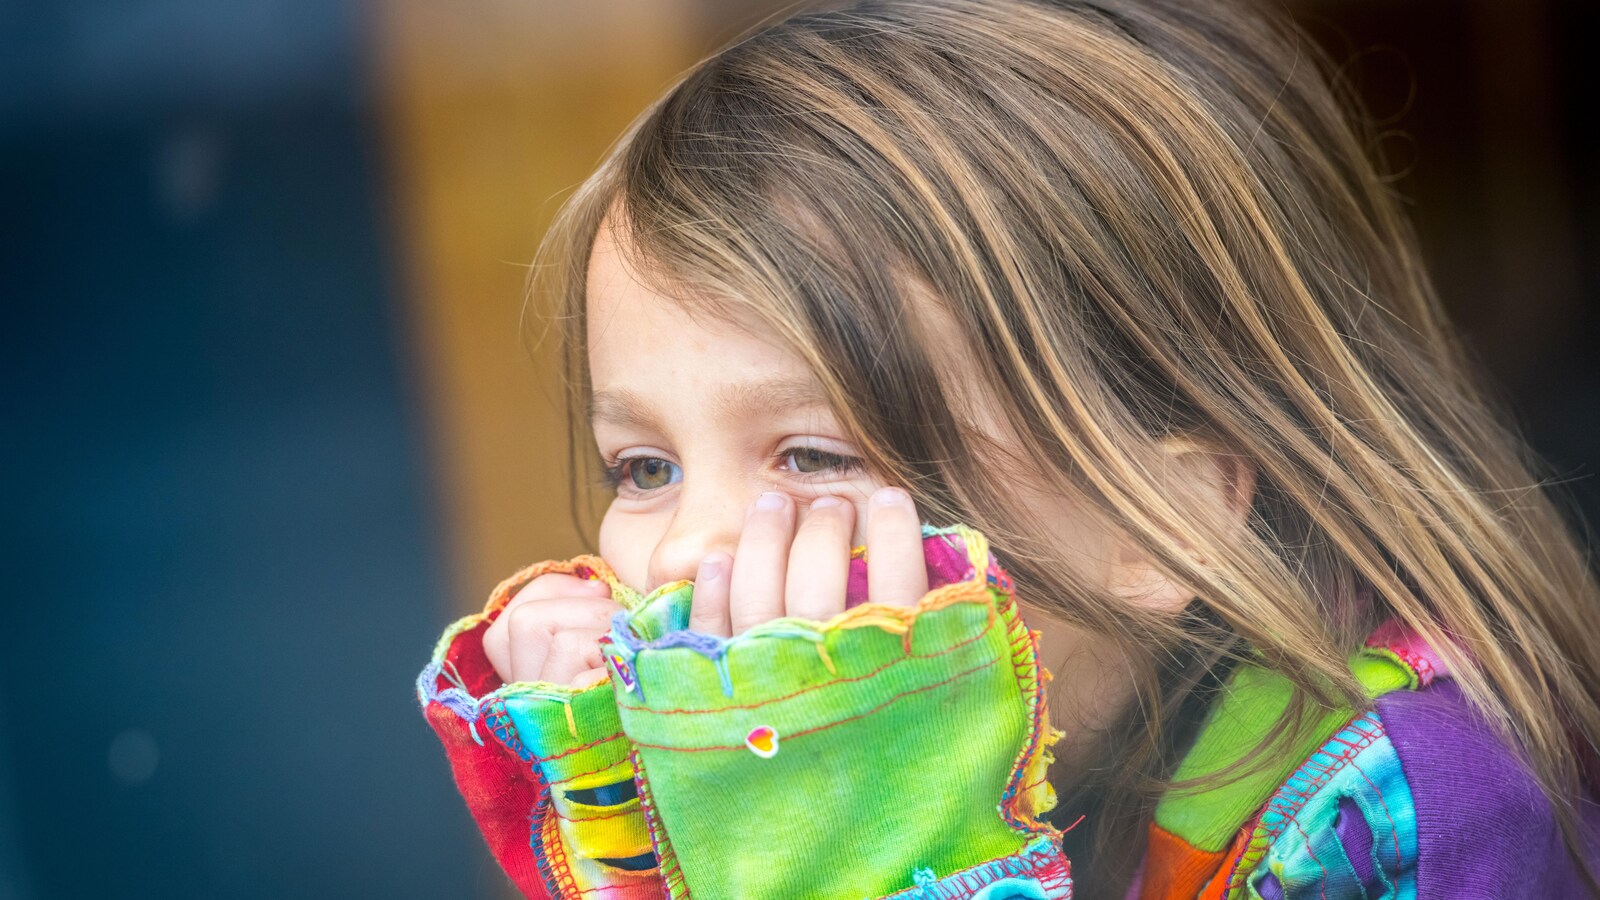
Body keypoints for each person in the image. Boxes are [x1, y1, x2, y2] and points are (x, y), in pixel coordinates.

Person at [414, 0, 1600, 897]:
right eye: (645, 469)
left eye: (815, 458)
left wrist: (873, 852)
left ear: (1162, 521)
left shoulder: (1423, 818)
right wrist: (632, 807)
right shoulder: (1067, 732)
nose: (679, 554)